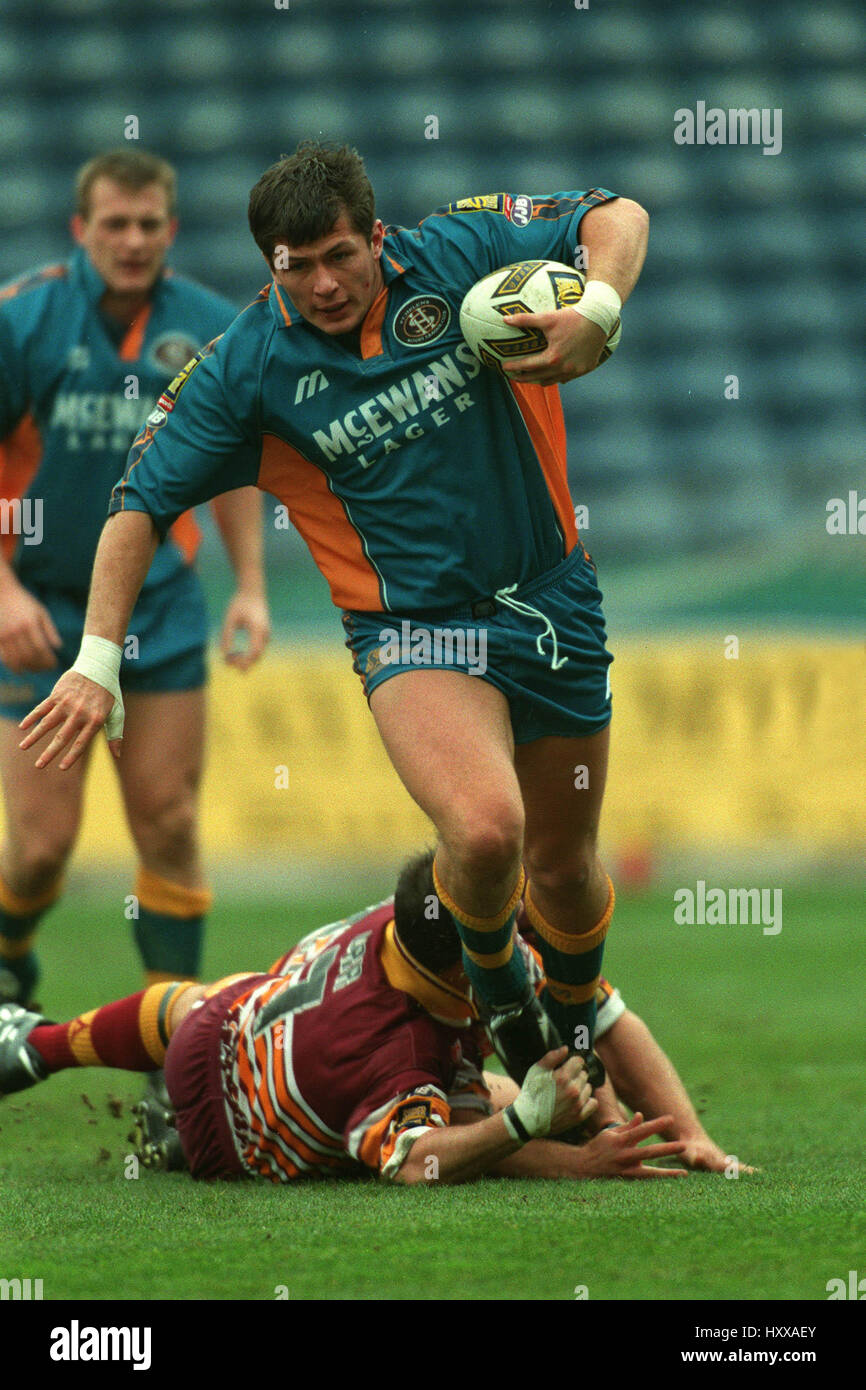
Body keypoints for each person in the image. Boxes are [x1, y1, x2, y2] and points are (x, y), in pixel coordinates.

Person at [19, 142, 649, 1085]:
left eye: (338, 257)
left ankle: (573, 1015)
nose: (321, 284)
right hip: (414, 634)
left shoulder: (457, 248)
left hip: (555, 598)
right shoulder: (243, 369)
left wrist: (598, 307)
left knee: (563, 869)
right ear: (269, 263)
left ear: (376, 237)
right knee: (484, 833)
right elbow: (138, 503)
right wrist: (96, 657)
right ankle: (504, 998)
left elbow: (620, 215)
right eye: (295, 265)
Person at [0, 149, 270, 1010]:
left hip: (160, 608)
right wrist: (1, 595)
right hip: (34, 612)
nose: (132, 239)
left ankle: (173, 1044)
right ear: (81, 230)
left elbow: (234, 468)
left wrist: (251, 589)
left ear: (171, 229)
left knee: (170, 822)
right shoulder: (22, 320)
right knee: (42, 849)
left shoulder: (209, 325)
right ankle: (9, 960)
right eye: (114, 223)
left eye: (149, 223)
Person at [0, 851, 696, 1185]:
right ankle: (70, 1065)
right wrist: (566, 1154)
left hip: (257, 1008)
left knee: (200, 999)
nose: (517, 940)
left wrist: (683, 1134)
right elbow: (415, 1164)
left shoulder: (417, 926)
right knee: (504, 1110)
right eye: (499, 938)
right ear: (464, 971)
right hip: (234, 1125)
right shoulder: (388, 1051)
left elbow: (597, 1012)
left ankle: (40, 1045)